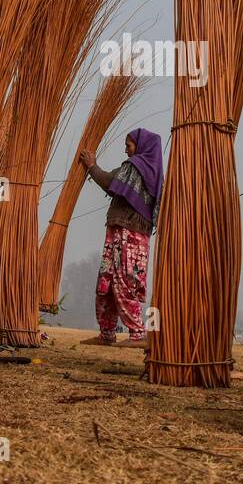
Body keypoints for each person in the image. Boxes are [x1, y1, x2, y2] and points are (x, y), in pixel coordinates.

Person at [78, 128, 162, 346]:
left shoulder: (138, 167)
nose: (126, 151)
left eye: (129, 145)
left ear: (142, 146)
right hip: (119, 231)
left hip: (129, 236)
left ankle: (137, 334)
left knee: (124, 282)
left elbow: (110, 182)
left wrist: (91, 166)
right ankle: (107, 333)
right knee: (106, 282)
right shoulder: (146, 171)